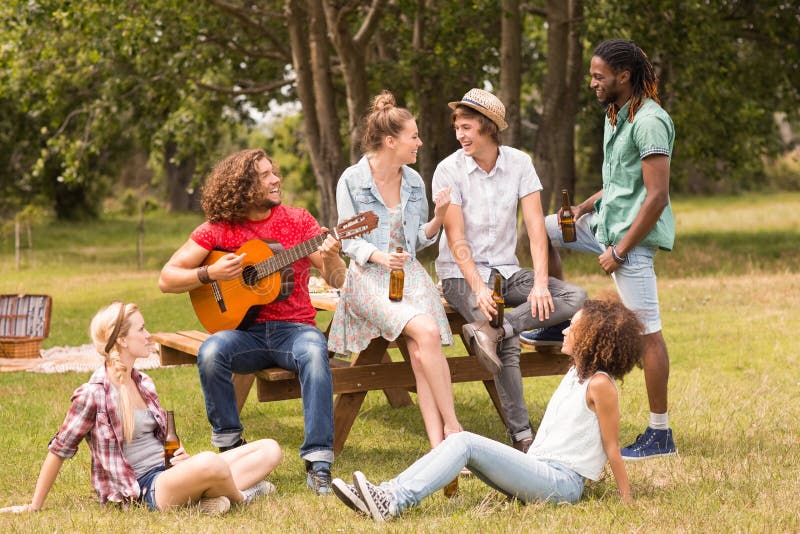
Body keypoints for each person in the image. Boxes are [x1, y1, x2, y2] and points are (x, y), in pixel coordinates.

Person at [330, 298, 642, 521]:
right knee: (461, 444)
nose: (564, 331)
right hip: (538, 469)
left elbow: (612, 448)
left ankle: (391, 500)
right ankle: (385, 494)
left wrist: (627, 502)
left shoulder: (600, 384)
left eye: (572, 327)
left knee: (463, 441)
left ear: (591, 339)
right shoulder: (577, 372)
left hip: (561, 483)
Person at [158, 148, 347, 494]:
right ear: (242, 186)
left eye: (273, 172)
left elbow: (337, 280)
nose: (276, 179)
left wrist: (333, 257)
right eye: (264, 175)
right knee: (212, 352)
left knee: (314, 352)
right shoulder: (220, 229)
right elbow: (166, 278)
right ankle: (231, 450)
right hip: (246, 333)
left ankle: (319, 463)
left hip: (295, 330)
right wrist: (210, 273)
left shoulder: (298, 221)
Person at [0, 302, 281, 515]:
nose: (149, 335)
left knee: (270, 449)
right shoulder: (93, 394)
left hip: (170, 472)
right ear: (122, 340)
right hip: (145, 489)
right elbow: (59, 450)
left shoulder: (144, 382)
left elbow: (163, 438)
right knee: (211, 462)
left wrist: (180, 456)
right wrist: (34, 505)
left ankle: (207, 500)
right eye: (142, 329)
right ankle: (242, 497)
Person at [432, 88, 586, 452]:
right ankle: (523, 439)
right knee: (509, 343)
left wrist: (542, 283)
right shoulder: (449, 170)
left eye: (467, 128)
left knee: (574, 296)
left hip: (507, 271)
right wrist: (479, 288)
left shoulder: (519, 163)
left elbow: (535, 228)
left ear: (488, 127)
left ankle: (495, 330)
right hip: (460, 275)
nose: (460, 135)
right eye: (457, 128)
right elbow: (456, 239)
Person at [545, 39, 677, 460]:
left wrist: (619, 251)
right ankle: (556, 317)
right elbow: (620, 184)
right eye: (591, 76)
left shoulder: (650, 122)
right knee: (546, 230)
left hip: (630, 242)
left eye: (599, 76)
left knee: (647, 333)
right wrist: (583, 208)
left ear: (624, 76)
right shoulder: (616, 114)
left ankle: (660, 434)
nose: (592, 83)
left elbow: (656, 196)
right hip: (604, 226)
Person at [328, 91, 463, 450]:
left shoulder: (415, 181)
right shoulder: (351, 180)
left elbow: (417, 239)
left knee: (421, 353)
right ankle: (454, 429)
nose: (420, 143)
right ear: (391, 141)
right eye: (413, 137)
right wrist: (380, 257)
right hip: (368, 277)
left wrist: (439, 217)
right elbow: (348, 240)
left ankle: (440, 447)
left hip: (408, 274)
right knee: (427, 331)